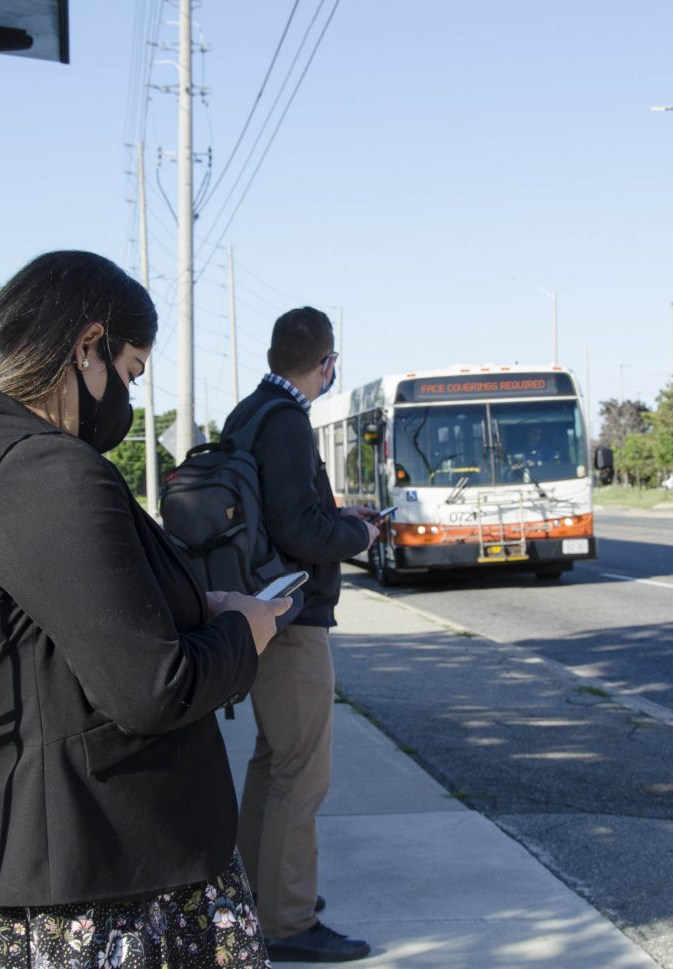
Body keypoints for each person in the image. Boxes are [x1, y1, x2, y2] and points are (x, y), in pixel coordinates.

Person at [0, 250, 290, 969]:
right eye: (131, 370)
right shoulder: (44, 470)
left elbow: (39, 631)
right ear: (87, 345)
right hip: (93, 893)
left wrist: (194, 604)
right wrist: (240, 633)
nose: (129, 397)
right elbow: (151, 689)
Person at [224, 307, 380, 963]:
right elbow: (298, 530)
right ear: (326, 362)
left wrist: (340, 514)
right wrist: (359, 534)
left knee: (273, 762)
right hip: (291, 618)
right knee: (301, 773)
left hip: (260, 610)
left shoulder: (250, 413)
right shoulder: (286, 421)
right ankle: (287, 921)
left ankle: (255, 897)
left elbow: (282, 513)